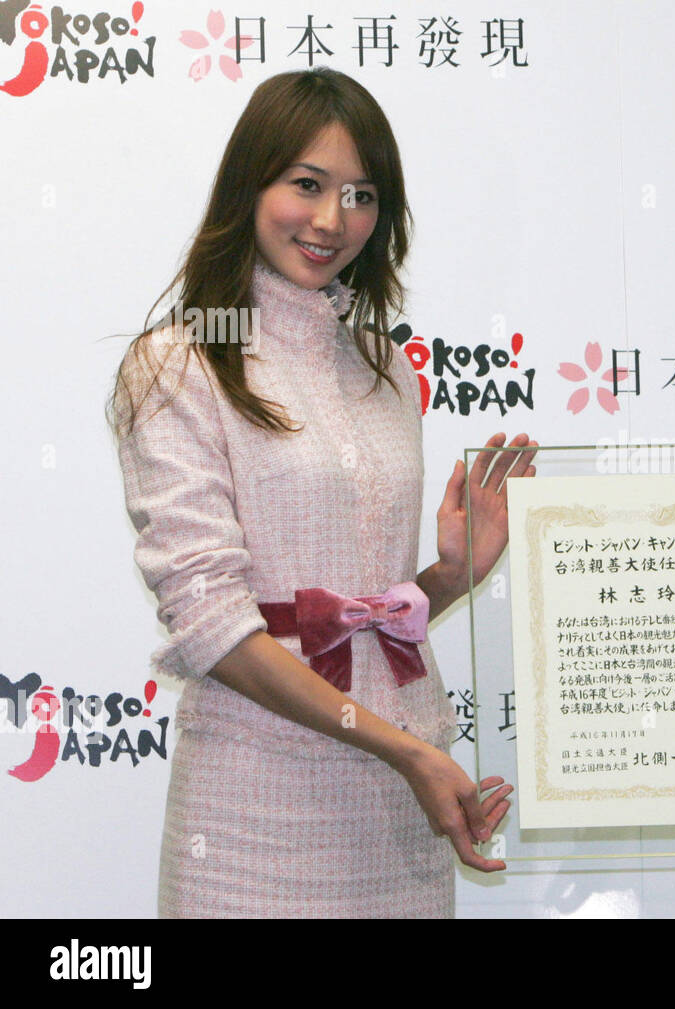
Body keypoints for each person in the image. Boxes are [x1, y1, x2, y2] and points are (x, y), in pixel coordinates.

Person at [111, 68, 535, 917]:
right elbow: (216, 626)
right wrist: (404, 754)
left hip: (397, 806)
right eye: (307, 184)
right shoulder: (178, 363)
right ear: (250, 184)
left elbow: (355, 610)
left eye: (361, 194)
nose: (333, 220)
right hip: (254, 804)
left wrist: (451, 576)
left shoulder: (384, 366)